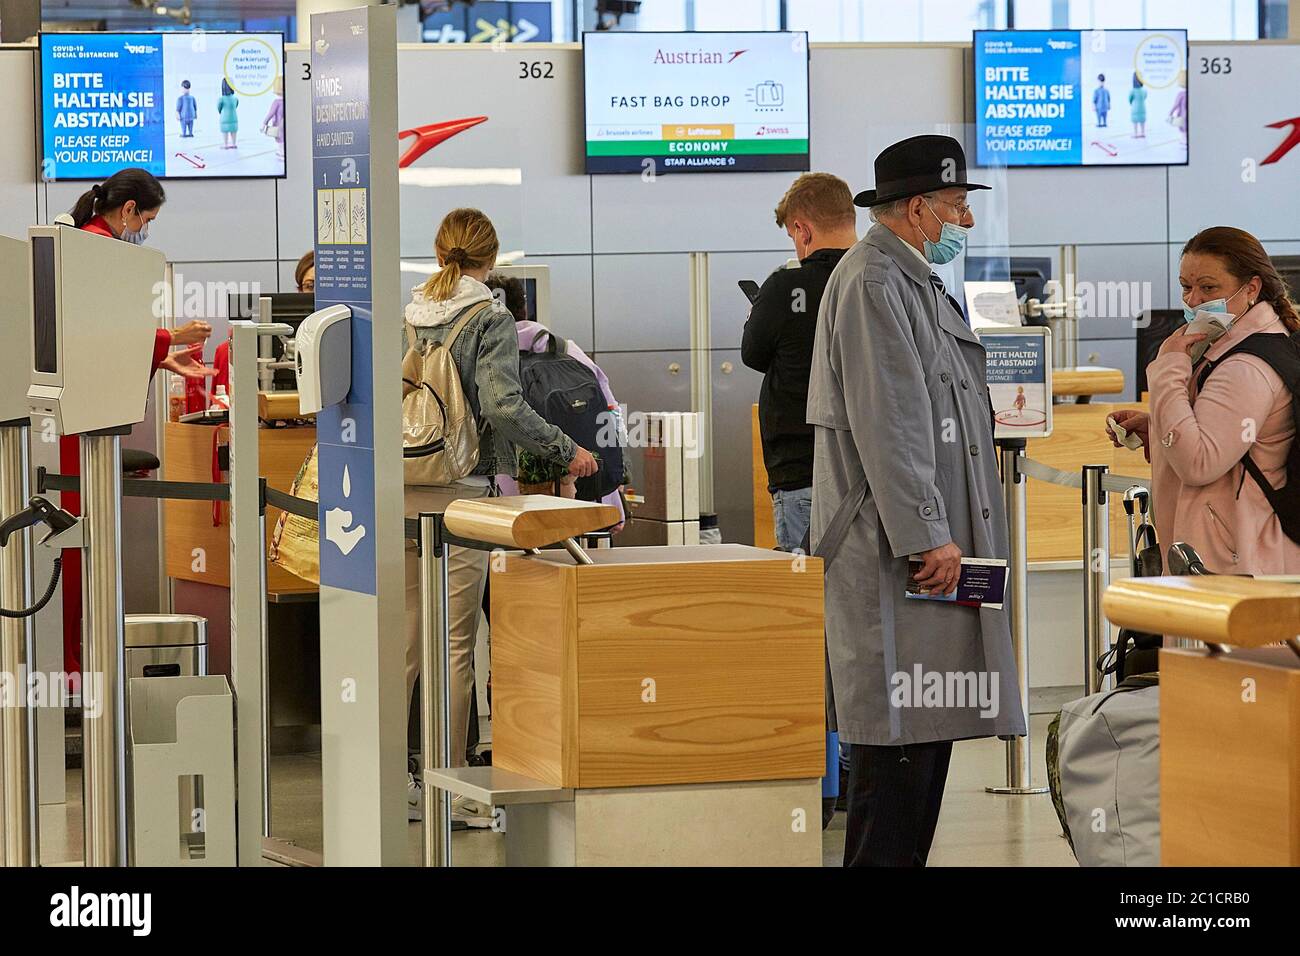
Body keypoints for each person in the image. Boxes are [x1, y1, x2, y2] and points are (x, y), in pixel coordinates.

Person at [807, 134, 1026, 867]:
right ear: (918, 207)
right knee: (896, 754)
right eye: (958, 205)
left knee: (922, 748)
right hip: (900, 557)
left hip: (930, 553)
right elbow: (890, 417)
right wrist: (928, 535)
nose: (965, 219)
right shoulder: (874, 281)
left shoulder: (912, 280)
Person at [402, 208, 596, 826]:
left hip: (408, 487)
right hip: (464, 491)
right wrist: (569, 450)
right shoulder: (489, 316)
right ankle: (456, 791)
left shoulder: (413, 311)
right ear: (492, 257)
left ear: (439, 252)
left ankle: (393, 781)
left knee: (407, 645)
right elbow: (504, 407)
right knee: (457, 644)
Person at [60, 168, 215, 679]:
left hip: (82, 418)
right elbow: (98, 329)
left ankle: (80, 663)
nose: (145, 228)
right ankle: (74, 667)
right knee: (77, 550)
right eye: (147, 219)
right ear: (128, 210)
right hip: (77, 427)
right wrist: (169, 338)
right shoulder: (95, 249)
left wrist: (163, 356)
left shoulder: (89, 243)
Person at [1107, 226, 1300, 575]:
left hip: (1233, 562)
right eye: (1186, 287)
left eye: (1208, 288)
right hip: (1232, 553)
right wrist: (1160, 425)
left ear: (1251, 288)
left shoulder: (1245, 366)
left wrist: (1168, 364)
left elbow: (1198, 462)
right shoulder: (1241, 346)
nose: (1193, 300)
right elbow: (1228, 436)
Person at [742, 172, 858, 553]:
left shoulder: (785, 286)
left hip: (803, 474)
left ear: (803, 230)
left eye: (793, 235)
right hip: (872, 477)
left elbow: (753, 355)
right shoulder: (882, 278)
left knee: (810, 602)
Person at [486, 272, 626, 526]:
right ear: (524, 308)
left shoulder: (489, 361)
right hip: (585, 495)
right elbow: (610, 417)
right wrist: (612, 496)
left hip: (512, 506)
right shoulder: (566, 350)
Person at [261, 77, 285, 160]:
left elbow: (270, 114)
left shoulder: (276, 102)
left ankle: (282, 153)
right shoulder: (288, 101)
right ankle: (282, 152)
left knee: (280, 139)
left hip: (278, 125)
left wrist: (264, 124)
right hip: (286, 125)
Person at [1168, 70, 1188, 147]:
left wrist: (1170, 113)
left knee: (1183, 130)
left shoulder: (1180, 94)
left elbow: (1175, 105)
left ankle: (1184, 141)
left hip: (1182, 116)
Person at [217, 79, 239, 150]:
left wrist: (221, 112)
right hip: (234, 118)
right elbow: (236, 106)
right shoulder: (235, 98)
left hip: (224, 118)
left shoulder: (221, 99)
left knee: (225, 131)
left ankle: (225, 144)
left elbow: (219, 108)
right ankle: (234, 143)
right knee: (233, 131)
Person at [1129, 72, 1147, 140]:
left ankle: (1135, 133)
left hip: (1134, 109)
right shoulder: (1144, 91)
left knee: (1135, 122)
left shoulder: (1132, 91)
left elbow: (1130, 99)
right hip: (1142, 108)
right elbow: (1145, 97)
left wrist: (1131, 103)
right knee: (1142, 121)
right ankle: (1143, 132)